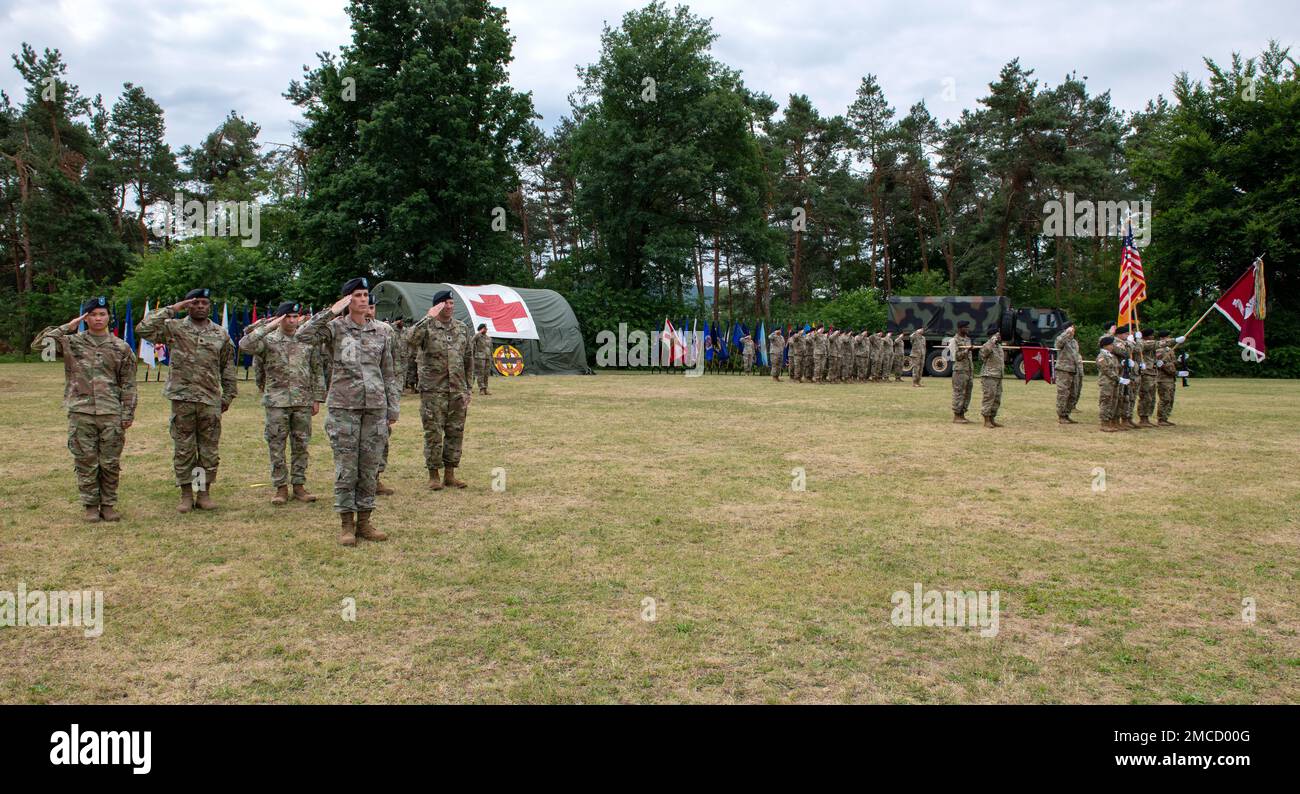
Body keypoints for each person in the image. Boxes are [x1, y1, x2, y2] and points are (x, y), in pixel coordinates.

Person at [296, 277, 400, 546]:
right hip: (344, 407)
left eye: (366, 295)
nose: (364, 300)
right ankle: (346, 524)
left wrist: (392, 406)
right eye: (357, 295)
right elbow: (302, 334)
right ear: (346, 300)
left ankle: (365, 522)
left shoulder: (382, 331)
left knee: (369, 467)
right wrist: (331, 310)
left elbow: (388, 372)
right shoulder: (335, 329)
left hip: (375, 408)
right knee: (346, 467)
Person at [33, 297, 138, 522]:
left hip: (111, 412)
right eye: (92, 315)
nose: (98, 318)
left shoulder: (121, 347)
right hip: (81, 411)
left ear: (109, 317)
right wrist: (67, 327)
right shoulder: (72, 342)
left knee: (109, 462)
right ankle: (91, 505)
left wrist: (128, 413)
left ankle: (108, 505)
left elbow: (128, 383)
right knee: (85, 460)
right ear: (85, 318)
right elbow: (41, 346)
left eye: (102, 314)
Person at [136, 288, 237, 513]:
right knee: (184, 448)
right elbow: (143, 328)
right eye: (195, 302)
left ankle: (203, 493)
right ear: (188, 305)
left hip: (209, 399)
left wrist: (228, 395)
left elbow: (227, 367)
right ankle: (185, 494)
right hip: (182, 398)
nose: (200, 306)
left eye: (204, 303)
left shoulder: (220, 334)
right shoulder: (175, 327)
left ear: (210, 306)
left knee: (208, 449)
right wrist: (174, 308)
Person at [238, 301, 325, 505]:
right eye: (287, 317)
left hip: (302, 400)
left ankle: (299, 485)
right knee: (276, 445)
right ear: (279, 318)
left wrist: (317, 398)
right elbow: (245, 345)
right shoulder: (268, 340)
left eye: (295, 317)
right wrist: (268, 326)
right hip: (277, 401)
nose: (292, 321)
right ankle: (281, 487)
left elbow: (317, 369)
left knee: (301, 444)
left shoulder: (306, 339)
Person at [407, 290, 474, 491]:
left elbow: (468, 360)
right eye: (445, 303)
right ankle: (433, 475)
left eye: (451, 303)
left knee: (455, 433)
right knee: (433, 433)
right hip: (433, 391)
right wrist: (428, 316)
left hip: (457, 391)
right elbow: (410, 340)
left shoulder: (462, 328)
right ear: (437, 306)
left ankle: (450, 474)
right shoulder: (426, 328)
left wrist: (468, 388)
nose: (449, 306)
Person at [365, 298, 399, 495]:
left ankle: (376, 478)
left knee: (381, 438)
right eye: (366, 306)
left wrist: (393, 401)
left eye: (372, 306)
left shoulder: (385, 330)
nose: (369, 311)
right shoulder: (342, 330)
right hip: (353, 398)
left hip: (379, 396)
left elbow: (391, 366)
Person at [1155, 330, 1185, 426]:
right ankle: (1161, 419)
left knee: (1170, 399)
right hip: (1163, 378)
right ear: (1163, 338)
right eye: (1168, 337)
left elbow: (1171, 363)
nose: (1169, 338)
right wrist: (1176, 373)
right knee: (1165, 399)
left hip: (1170, 378)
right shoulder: (1160, 350)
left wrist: (1179, 361)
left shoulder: (1169, 350)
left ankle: (1165, 417)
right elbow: (1163, 365)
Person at [1053, 323, 1082, 423]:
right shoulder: (1062, 339)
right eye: (1071, 328)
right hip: (1064, 370)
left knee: (1072, 394)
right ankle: (1061, 416)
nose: (1073, 330)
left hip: (1074, 370)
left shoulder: (1074, 342)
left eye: (1073, 328)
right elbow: (1058, 344)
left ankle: (1066, 414)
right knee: (1063, 394)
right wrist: (1066, 333)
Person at [978, 328, 1005, 428]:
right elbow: (983, 355)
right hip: (989, 375)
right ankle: (986, 420)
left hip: (998, 375)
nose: (999, 336)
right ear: (992, 336)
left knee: (997, 398)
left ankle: (992, 419)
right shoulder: (987, 345)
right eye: (997, 335)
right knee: (989, 397)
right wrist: (991, 341)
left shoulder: (998, 347)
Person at [949, 321, 974, 422]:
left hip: (968, 370)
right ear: (960, 328)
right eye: (966, 327)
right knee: (959, 393)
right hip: (959, 370)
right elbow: (955, 356)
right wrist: (966, 351)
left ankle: (962, 414)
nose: (968, 329)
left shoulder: (968, 339)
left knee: (967, 393)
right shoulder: (954, 340)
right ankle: (957, 415)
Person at [1097, 336, 1121, 432]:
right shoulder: (1102, 356)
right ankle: (1104, 423)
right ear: (1105, 346)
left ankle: (1110, 421)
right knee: (1106, 402)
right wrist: (1118, 378)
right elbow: (1106, 369)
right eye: (1111, 344)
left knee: (1112, 402)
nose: (1112, 346)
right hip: (1106, 382)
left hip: (1113, 382)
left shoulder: (1111, 356)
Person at [473, 324, 493, 395]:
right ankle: (481, 389)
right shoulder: (478, 336)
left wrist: (492, 357)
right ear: (481, 329)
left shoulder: (489, 338)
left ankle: (485, 389)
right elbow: (472, 341)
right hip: (480, 357)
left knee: (486, 374)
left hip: (488, 357)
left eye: (486, 328)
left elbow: (491, 348)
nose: (486, 329)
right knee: (481, 373)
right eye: (484, 328)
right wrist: (479, 332)